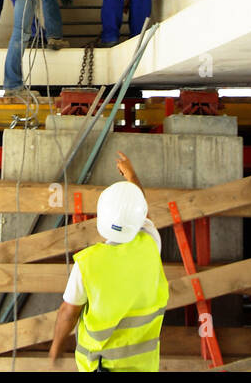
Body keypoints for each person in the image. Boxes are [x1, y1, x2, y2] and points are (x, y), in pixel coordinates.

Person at [48, 151, 169, 371]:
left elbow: (68, 312)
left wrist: (56, 347)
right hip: (144, 365)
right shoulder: (151, 244)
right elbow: (142, 215)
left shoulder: (87, 264)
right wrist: (132, 177)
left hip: (101, 366)